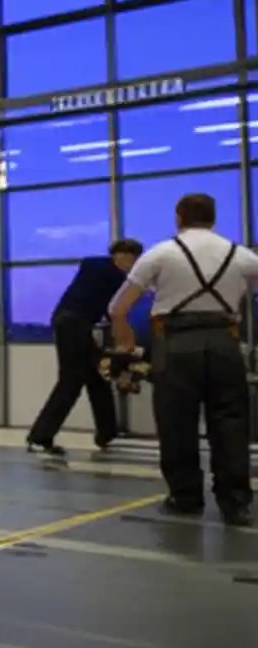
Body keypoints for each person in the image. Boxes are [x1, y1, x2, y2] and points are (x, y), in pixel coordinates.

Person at [109, 193, 254, 527]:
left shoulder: (160, 254)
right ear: (214, 217)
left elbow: (117, 308)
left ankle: (185, 498)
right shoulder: (240, 255)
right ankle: (235, 503)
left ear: (178, 217)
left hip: (175, 347)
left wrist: (126, 338)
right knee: (231, 423)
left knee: (177, 424)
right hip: (224, 344)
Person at [26, 239, 144, 456]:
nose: (132, 265)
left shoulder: (100, 268)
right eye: (131, 259)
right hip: (73, 323)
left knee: (98, 377)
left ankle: (107, 433)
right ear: (121, 256)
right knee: (71, 380)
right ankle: (41, 435)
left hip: (74, 324)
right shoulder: (108, 272)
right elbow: (117, 309)